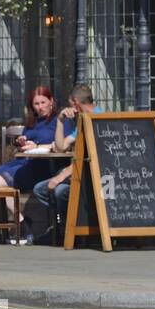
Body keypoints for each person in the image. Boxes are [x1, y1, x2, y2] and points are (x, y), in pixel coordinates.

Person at [0, 86, 59, 242]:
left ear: (51, 102)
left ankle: (22, 223)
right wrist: (22, 141)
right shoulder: (32, 122)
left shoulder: (57, 121)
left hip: (40, 165)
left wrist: (38, 147)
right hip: (21, 162)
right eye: (36, 104)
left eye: (43, 102)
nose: (40, 107)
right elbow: (26, 141)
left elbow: (59, 145)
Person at [26, 83, 101, 245]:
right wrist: (60, 121)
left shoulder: (98, 119)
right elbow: (61, 146)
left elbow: (87, 160)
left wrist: (60, 177)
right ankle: (63, 228)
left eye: (70, 104)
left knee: (60, 191)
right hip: (79, 172)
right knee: (41, 188)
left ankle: (69, 230)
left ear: (75, 103)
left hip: (92, 177)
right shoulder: (83, 120)